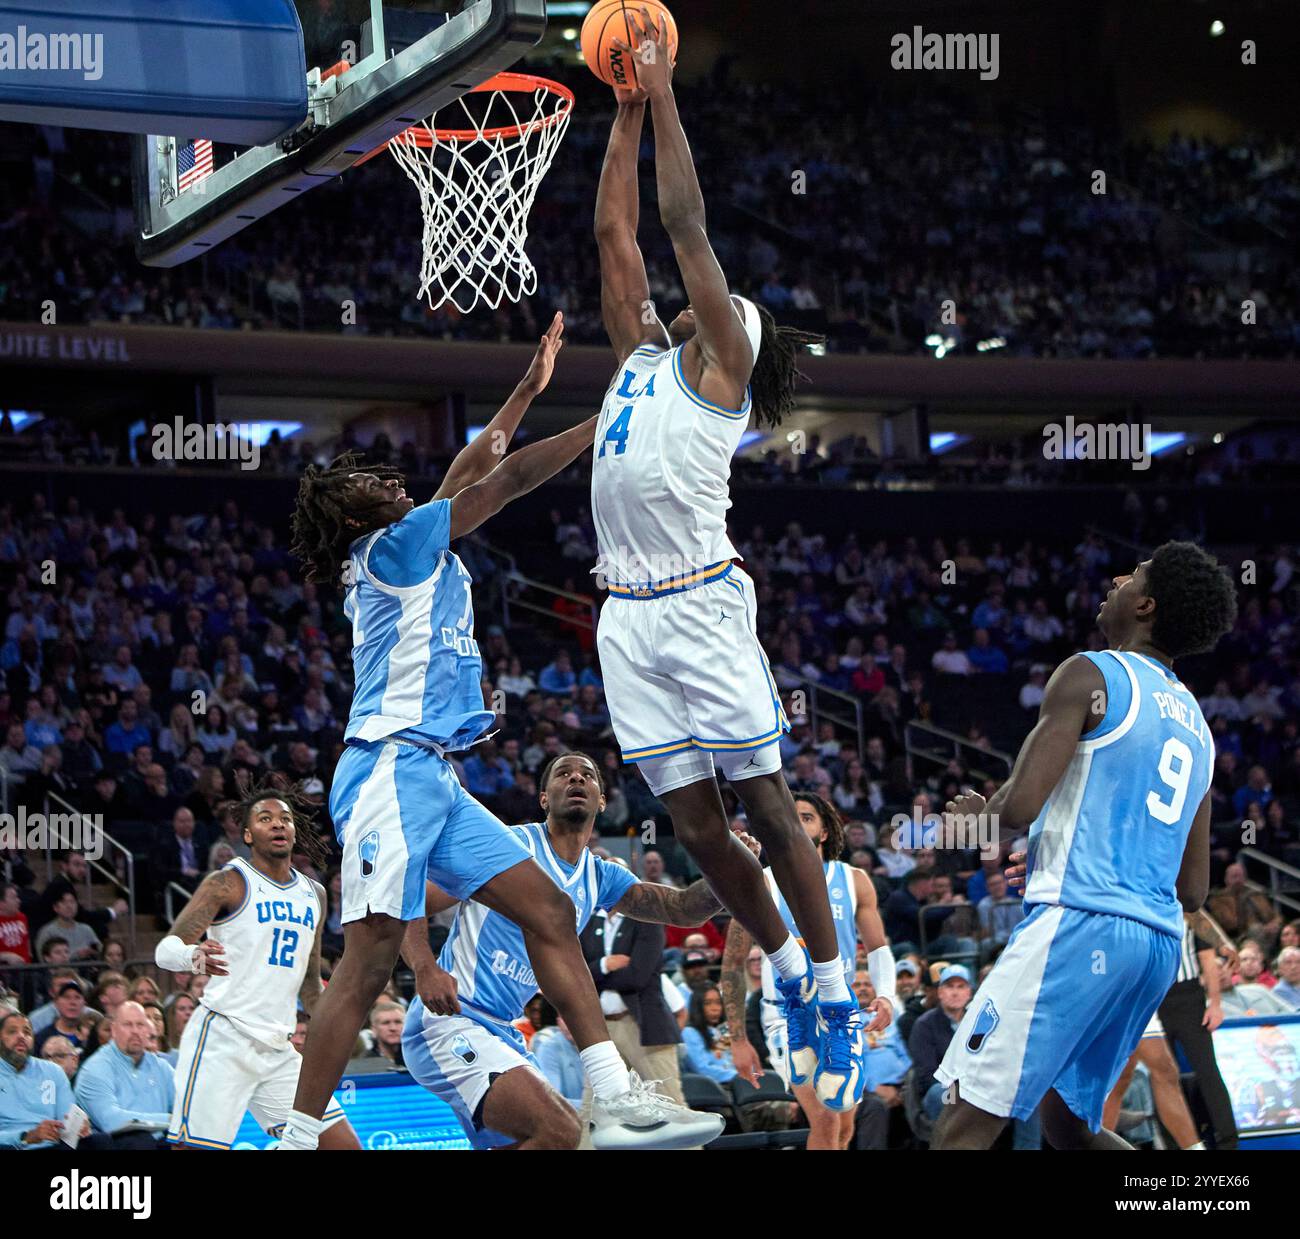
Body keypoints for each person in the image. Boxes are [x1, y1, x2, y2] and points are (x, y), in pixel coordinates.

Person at [281, 325, 705, 1153]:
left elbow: (477, 462)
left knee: (549, 904)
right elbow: (504, 477)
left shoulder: (410, 544)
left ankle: (612, 1091)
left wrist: (528, 386)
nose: (392, 478)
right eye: (373, 478)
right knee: (370, 958)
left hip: (432, 776)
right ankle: (300, 1135)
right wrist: (607, 420)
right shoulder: (393, 545)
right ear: (355, 510)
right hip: (387, 769)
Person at [588, 10, 856, 1111]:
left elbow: (682, 225)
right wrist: (618, 114)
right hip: (624, 616)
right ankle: (785, 965)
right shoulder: (641, 358)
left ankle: (834, 992)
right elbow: (617, 242)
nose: (695, 306)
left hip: (700, 602)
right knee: (692, 825)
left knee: (766, 797)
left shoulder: (719, 376)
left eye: (712, 306)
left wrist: (666, 95)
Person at [932, 543, 1238, 1149]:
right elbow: (1192, 889)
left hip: (1080, 927)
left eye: (1135, 575)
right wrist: (1058, 854)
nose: (1120, 579)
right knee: (1069, 1127)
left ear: (1146, 605)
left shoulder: (1090, 673)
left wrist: (971, 819)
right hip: (1152, 948)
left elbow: (1014, 810)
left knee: (964, 1118)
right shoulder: (1199, 729)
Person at [399, 751, 730, 1150]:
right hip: (450, 1019)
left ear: (602, 800)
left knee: (553, 1140)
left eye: (587, 775)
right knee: (562, 1131)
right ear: (543, 798)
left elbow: (682, 908)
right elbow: (407, 901)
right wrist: (424, 968)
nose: (576, 779)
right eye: (564, 774)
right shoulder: (507, 846)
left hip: (503, 1031)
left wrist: (733, 868)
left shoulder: (600, 875)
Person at [154, 784, 359, 1150]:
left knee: (341, 1146)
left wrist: (339, 1018)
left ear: (295, 831)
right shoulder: (227, 882)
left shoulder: (315, 893)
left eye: (285, 819)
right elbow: (165, 951)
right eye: (265, 819)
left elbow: (309, 984)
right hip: (223, 1039)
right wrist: (192, 957)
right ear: (248, 834)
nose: (278, 825)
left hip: (278, 1048)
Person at [720, 792, 896, 1147]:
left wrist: (887, 995)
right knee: (827, 1123)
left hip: (841, 1016)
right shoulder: (761, 882)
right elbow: (732, 965)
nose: (796, 824)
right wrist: (737, 1038)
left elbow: (878, 947)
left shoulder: (854, 879)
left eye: (806, 817)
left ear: (825, 830)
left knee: (845, 1127)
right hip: (788, 1017)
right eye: (790, 817)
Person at [73, 1001, 174, 1148]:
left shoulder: (161, 1066)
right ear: (113, 1030)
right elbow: (111, 1121)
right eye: (127, 1025)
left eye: (140, 1025)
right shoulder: (95, 1069)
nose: (135, 1031)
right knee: (140, 1141)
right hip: (117, 1146)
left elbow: (185, 1106)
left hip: (161, 1142)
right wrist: (171, 1120)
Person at [0, 1010, 96, 1150]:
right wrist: (26, 1136)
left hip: (53, 1146)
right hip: (12, 1146)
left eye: (27, 1032)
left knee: (100, 1141)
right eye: (12, 1031)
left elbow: (66, 1120)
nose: (21, 1036)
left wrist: (78, 1127)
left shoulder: (53, 1071)